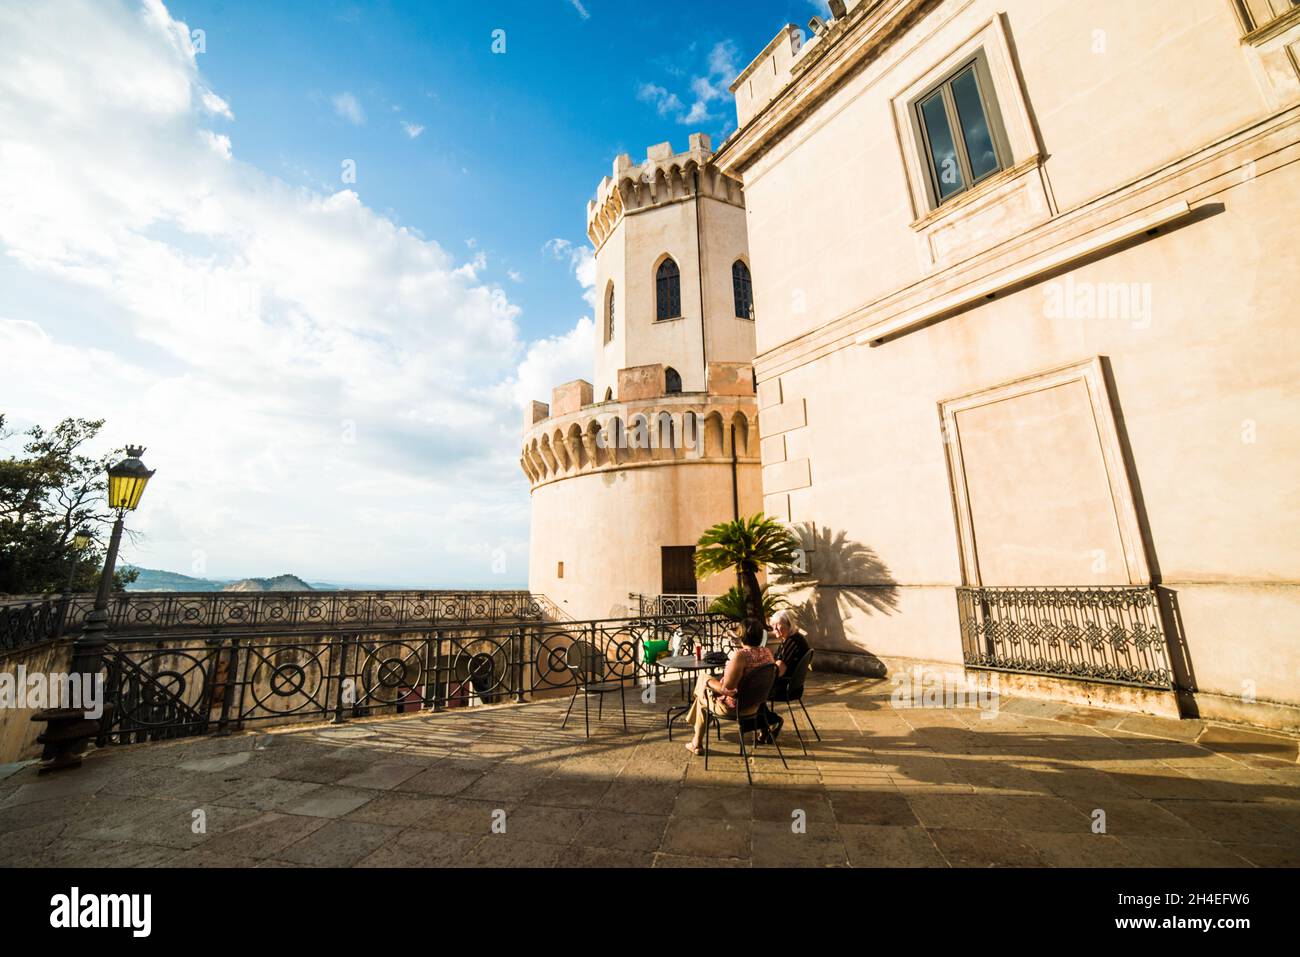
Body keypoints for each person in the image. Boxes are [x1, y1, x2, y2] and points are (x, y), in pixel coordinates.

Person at [683, 618, 774, 755]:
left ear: (741, 635)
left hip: (736, 708)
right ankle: (695, 735)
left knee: (702, 689)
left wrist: (708, 682)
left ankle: (696, 743)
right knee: (703, 692)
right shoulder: (767, 653)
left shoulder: (741, 656)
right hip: (756, 705)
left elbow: (727, 689)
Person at [758, 609, 811, 741]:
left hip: (785, 688)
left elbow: (778, 672)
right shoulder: (794, 639)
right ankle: (765, 727)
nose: (774, 628)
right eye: (773, 625)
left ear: (789, 624)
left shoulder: (791, 642)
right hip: (793, 686)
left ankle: (771, 721)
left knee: (754, 691)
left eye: (778, 625)